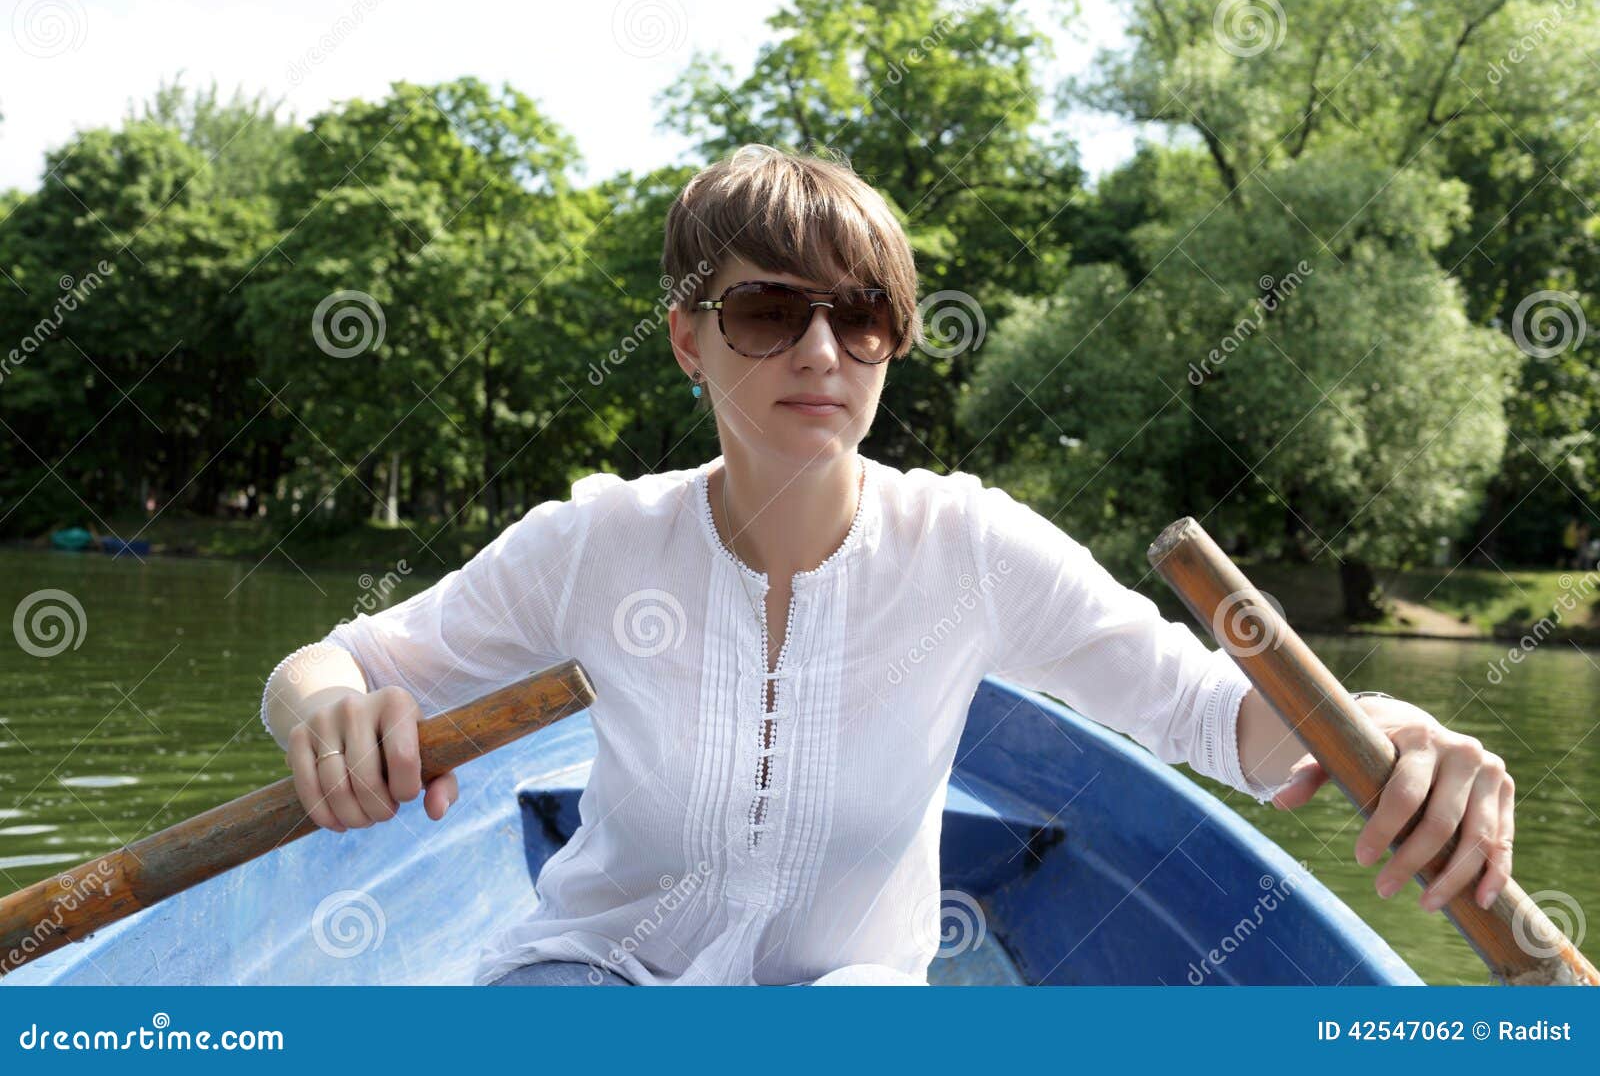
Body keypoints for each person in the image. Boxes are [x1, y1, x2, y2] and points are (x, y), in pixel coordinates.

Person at [260, 143, 1517, 987]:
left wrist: (1386, 732)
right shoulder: (593, 542)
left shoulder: (972, 546)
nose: (821, 350)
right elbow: (330, 663)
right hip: (598, 972)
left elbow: (1212, 714)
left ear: (893, 340)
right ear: (689, 338)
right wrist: (324, 712)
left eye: (859, 315)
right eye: (768, 311)